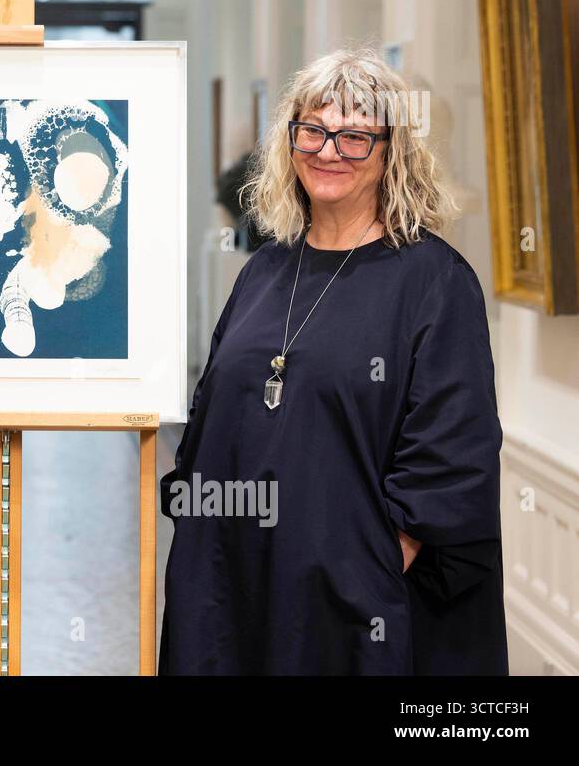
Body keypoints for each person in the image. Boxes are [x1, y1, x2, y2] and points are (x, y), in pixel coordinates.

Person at [159, 46, 508, 674]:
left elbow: (452, 457)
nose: (328, 151)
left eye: (355, 136)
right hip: (231, 581)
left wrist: (368, 567)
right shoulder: (265, 270)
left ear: (390, 151)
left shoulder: (434, 281)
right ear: (289, 141)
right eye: (313, 131)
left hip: (346, 609)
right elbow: (213, 419)